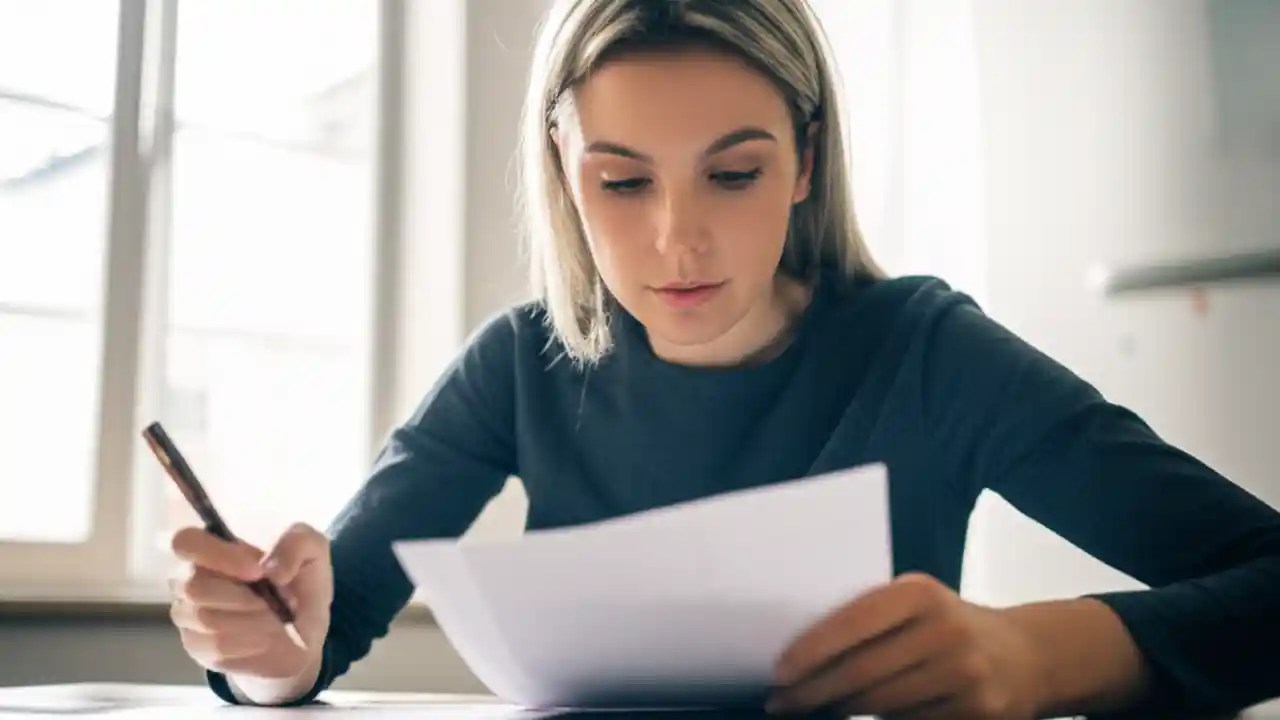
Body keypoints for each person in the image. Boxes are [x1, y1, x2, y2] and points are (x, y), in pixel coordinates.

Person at [165, 1, 1280, 717]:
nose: (675, 241)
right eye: (621, 180)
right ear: (562, 173)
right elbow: (315, 636)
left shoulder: (928, 353)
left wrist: (1041, 657)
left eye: (733, 174)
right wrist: (264, 650)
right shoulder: (517, 366)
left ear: (803, 161)